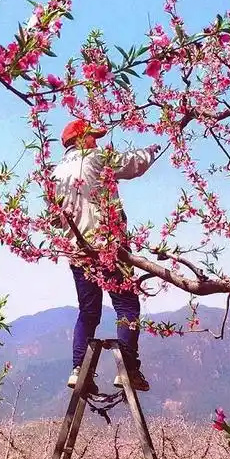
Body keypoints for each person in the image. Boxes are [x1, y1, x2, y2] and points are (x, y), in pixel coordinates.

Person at [52, 118, 161, 393]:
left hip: (77, 252)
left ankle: (79, 371)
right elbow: (133, 164)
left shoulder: (53, 173)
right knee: (127, 307)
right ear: (81, 139)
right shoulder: (97, 158)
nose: (97, 142)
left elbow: (55, 219)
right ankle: (128, 369)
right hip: (108, 247)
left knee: (88, 312)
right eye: (93, 137)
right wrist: (155, 147)